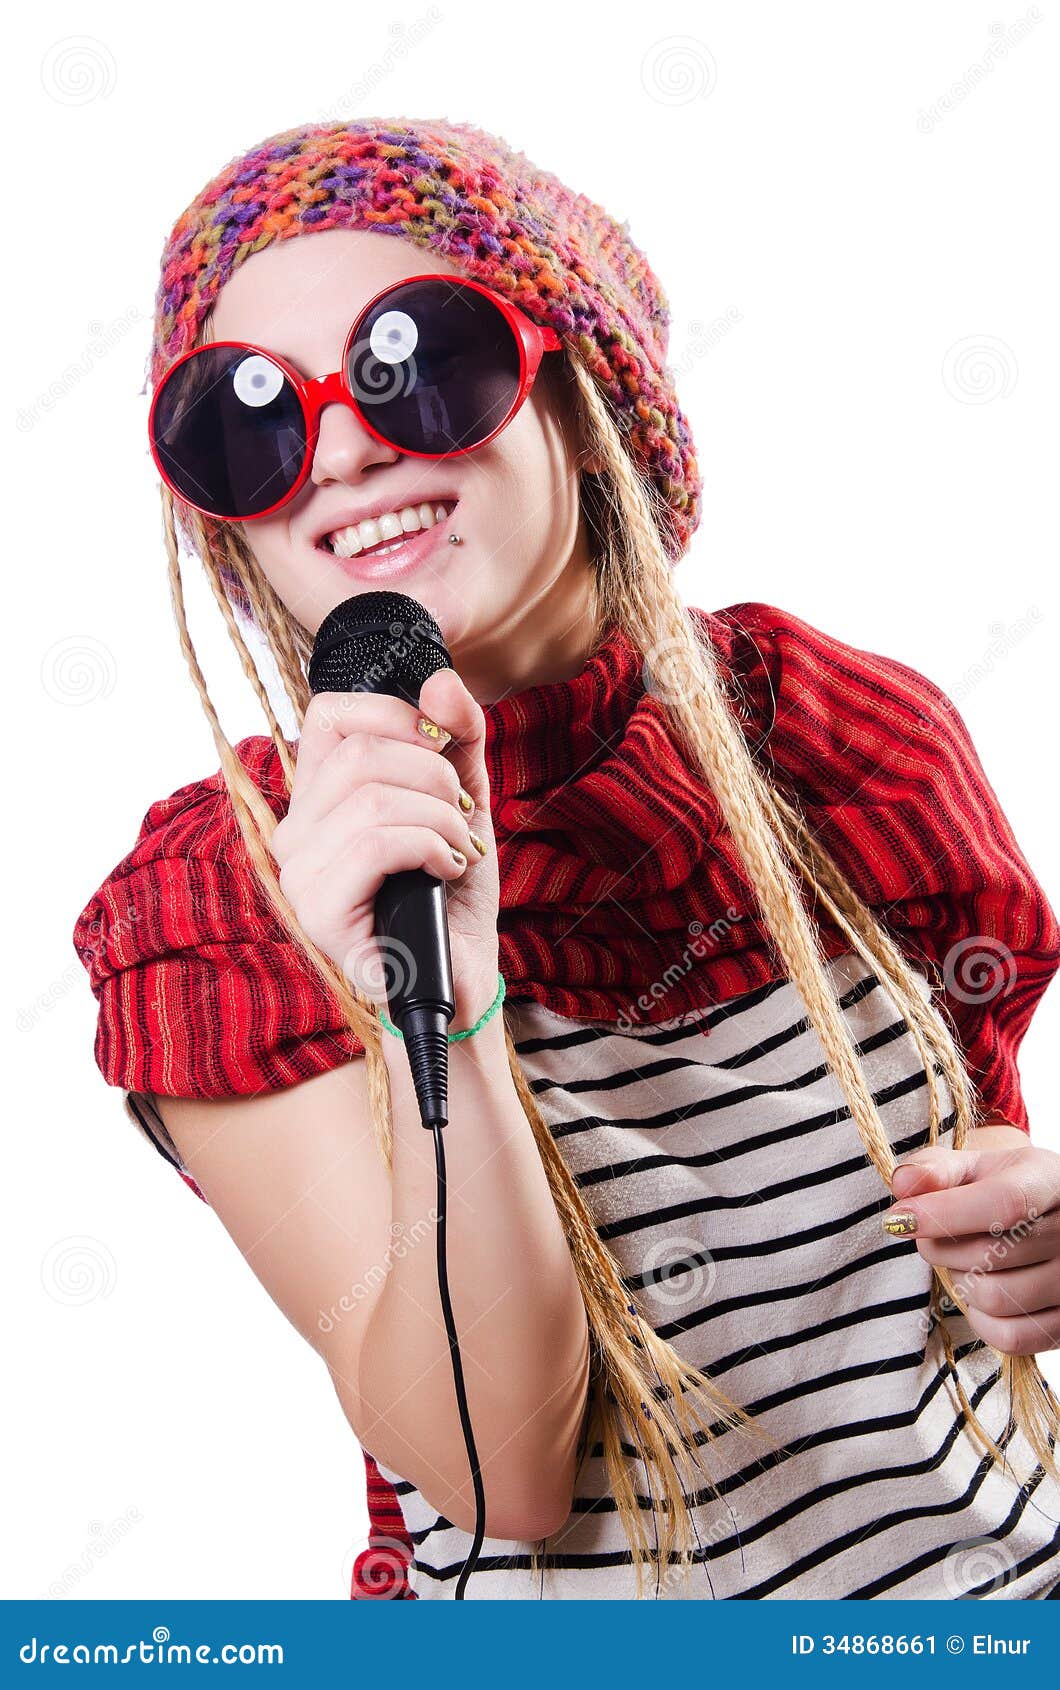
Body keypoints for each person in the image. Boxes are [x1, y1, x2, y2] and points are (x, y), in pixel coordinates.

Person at [72, 116, 1060, 1600]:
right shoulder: (228, 899)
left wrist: (1028, 1235)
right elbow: (500, 1468)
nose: (340, 448)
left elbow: (969, 1183)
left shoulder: (846, 744)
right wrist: (444, 999)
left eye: (421, 361)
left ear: (586, 388)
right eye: (247, 417)